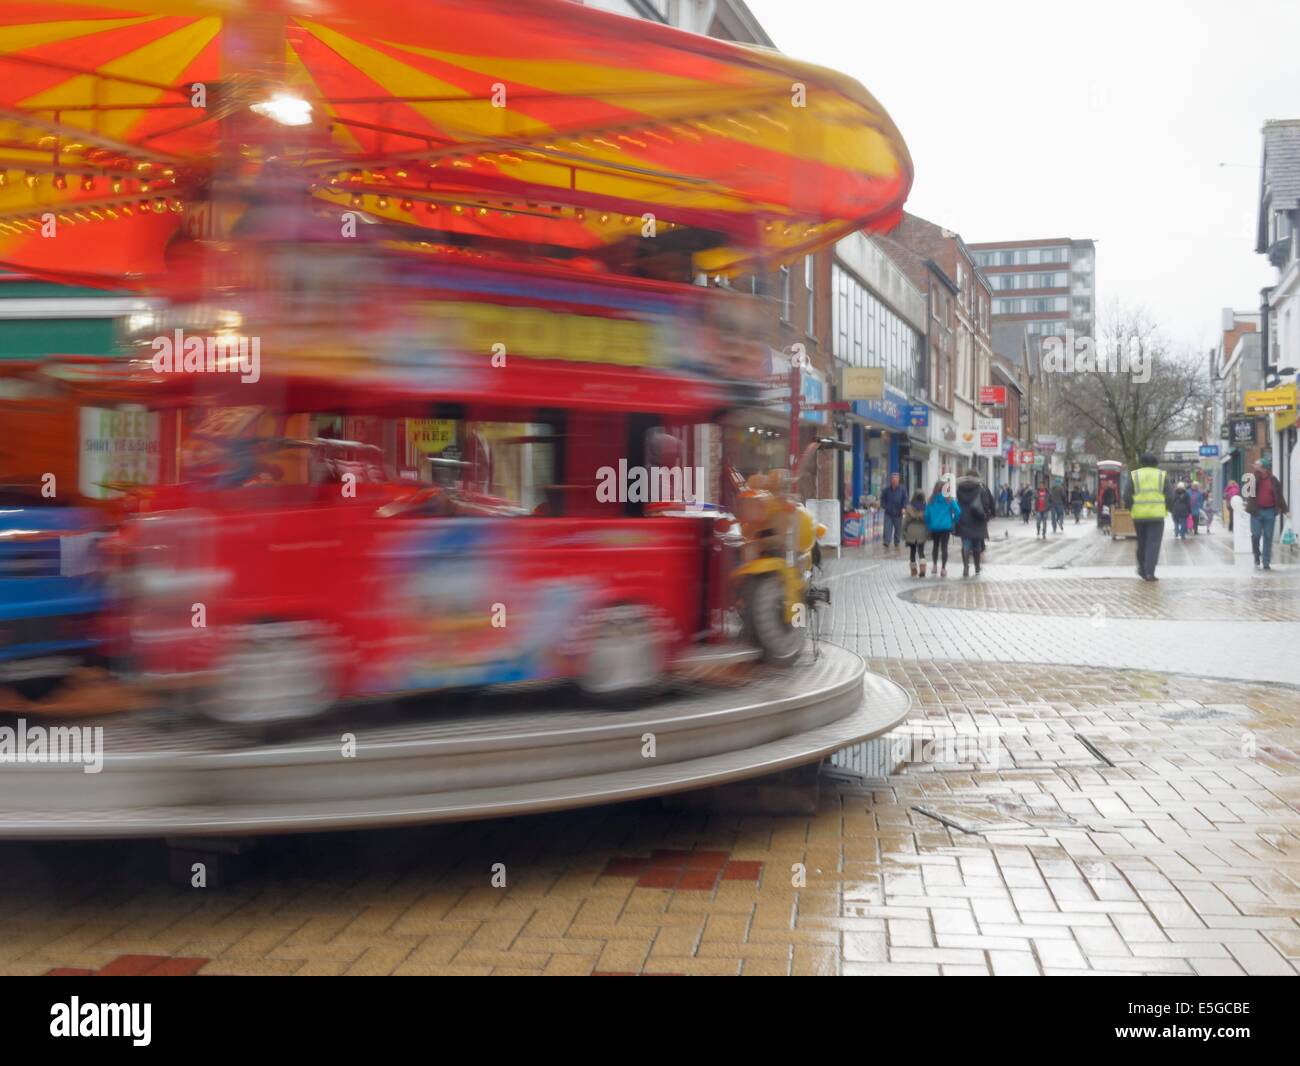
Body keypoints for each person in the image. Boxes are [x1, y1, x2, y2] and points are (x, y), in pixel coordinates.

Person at [1124, 453, 1174, 581]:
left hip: (1139, 515)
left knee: (1141, 542)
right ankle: (1150, 572)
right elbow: (1170, 496)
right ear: (1156, 463)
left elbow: (1127, 495)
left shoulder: (1134, 475)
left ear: (1141, 462)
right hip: (1157, 516)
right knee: (1153, 544)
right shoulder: (1162, 476)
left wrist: (1132, 508)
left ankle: (1141, 568)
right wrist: (1167, 508)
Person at [1245, 456, 1290, 571]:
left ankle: (1266, 561)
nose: (1254, 466)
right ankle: (1256, 554)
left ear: (1263, 467)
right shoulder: (1254, 478)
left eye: (1256, 465)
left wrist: (1285, 510)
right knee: (1255, 535)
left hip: (1270, 511)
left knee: (1268, 537)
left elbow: (1279, 497)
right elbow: (1249, 490)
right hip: (1256, 511)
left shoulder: (1274, 480)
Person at [954, 469, 994, 577]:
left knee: (965, 544)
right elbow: (986, 504)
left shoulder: (959, 488)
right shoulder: (981, 489)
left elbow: (956, 502)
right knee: (976, 545)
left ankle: (966, 567)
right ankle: (977, 567)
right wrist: (987, 515)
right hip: (977, 520)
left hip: (963, 520)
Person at [925, 479, 960, 578]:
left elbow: (926, 515)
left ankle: (935, 566)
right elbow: (958, 512)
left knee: (935, 546)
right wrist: (953, 521)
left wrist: (929, 525)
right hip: (946, 527)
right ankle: (943, 569)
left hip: (934, 527)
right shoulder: (949, 500)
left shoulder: (931, 500)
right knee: (944, 547)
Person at [903, 490, 929, 577]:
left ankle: (913, 570)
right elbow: (928, 521)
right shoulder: (926, 508)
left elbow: (906, 521)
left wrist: (903, 532)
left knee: (912, 551)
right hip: (922, 531)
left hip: (911, 532)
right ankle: (923, 569)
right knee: (921, 551)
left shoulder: (909, 507)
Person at [880, 472, 906, 550]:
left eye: (895, 479)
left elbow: (905, 499)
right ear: (891, 480)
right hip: (888, 512)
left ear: (898, 480)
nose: (894, 481)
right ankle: (886, 542)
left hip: (898, 513)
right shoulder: (886, 490)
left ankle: (897, 542)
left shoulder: (902, 490)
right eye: (892, 479)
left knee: (898, 529)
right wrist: (884, 506)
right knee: (887, 528)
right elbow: (882, 499)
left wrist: (904, 508)